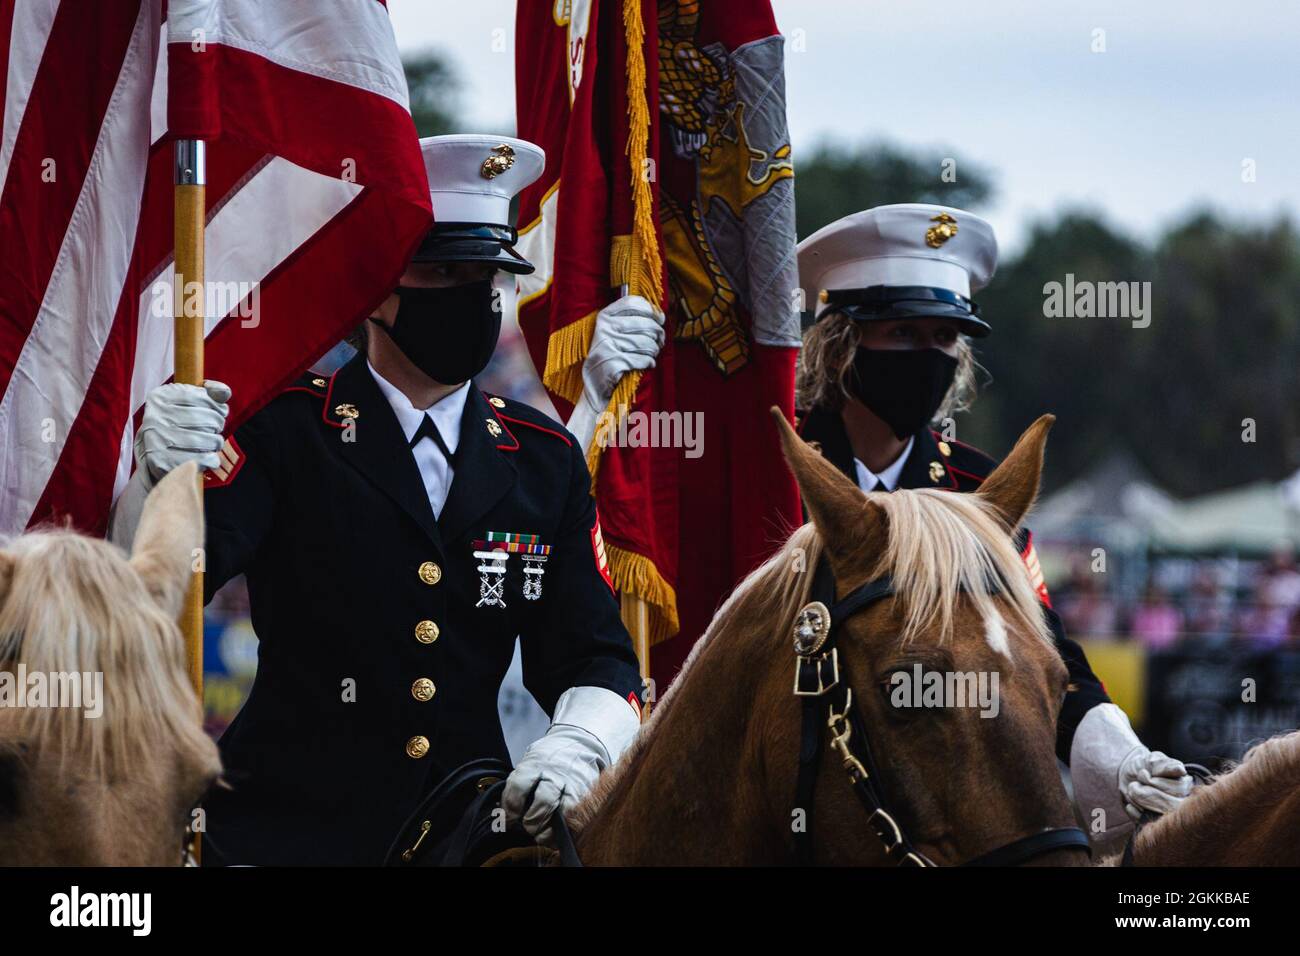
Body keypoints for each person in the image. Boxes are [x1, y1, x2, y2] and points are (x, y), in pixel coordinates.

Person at [110, 134, 665, 865]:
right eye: (443, 272)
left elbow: (597, 658)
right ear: (375, 291)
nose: (474, 296)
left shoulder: (542, 460)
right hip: (283, 834)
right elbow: (153, 589)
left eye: (486, 276)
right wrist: (154, 483)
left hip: (470, 833)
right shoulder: (286, 431)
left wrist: (577, 744)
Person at [794, 203, 1193, 847]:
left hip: (933, 809)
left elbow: (1042, 646)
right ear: (841, 341)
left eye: (943, 338)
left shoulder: (980, 493)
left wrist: (1111, 747)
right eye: (903, 334)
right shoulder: (769, 468)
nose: (929, 357)